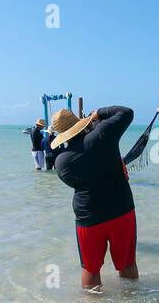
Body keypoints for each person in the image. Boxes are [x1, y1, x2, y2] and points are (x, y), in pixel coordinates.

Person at [51, 105, 138, 291]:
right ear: (78, 123)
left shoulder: (61, 161)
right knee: (127, 264)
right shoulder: (102, 133)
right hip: (121, 209)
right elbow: (126, 112)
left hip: (88, 217)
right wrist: (98, 113)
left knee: (91, 269)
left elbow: (73, 182)